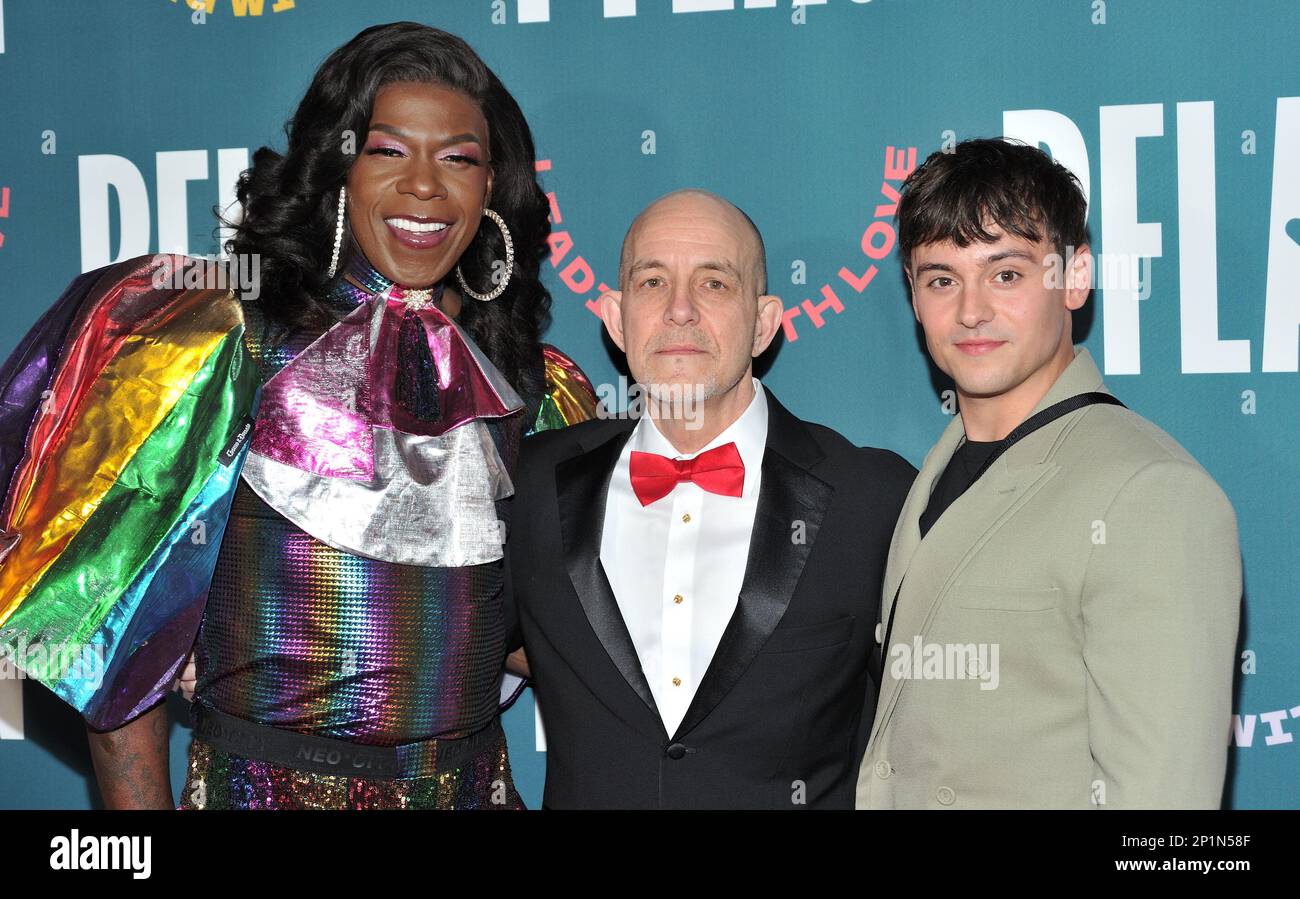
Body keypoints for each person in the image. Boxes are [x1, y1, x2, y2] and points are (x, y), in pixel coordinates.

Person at [0, 22, 598, 810]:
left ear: (491, 188)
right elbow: (118, 654)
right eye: (388, 151)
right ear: (338, 171)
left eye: (458, 158)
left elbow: (556, 641)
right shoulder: (224, 338)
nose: (425, 185)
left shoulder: (529, 386)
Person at [856, 138, 1241, 809]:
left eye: (1005, 274)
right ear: (914, 299)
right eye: (942, 278)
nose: (971, 310)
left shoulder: (1150, 492)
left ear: (1075, 276)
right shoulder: (931, 474)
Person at [503, 189, 915, 809]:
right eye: (651, 283)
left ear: (764, 322)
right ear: (616, 319)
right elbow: (456, 663)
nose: (679, 311)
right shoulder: (530, 484)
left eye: (715, 284)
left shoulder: (872, 498)